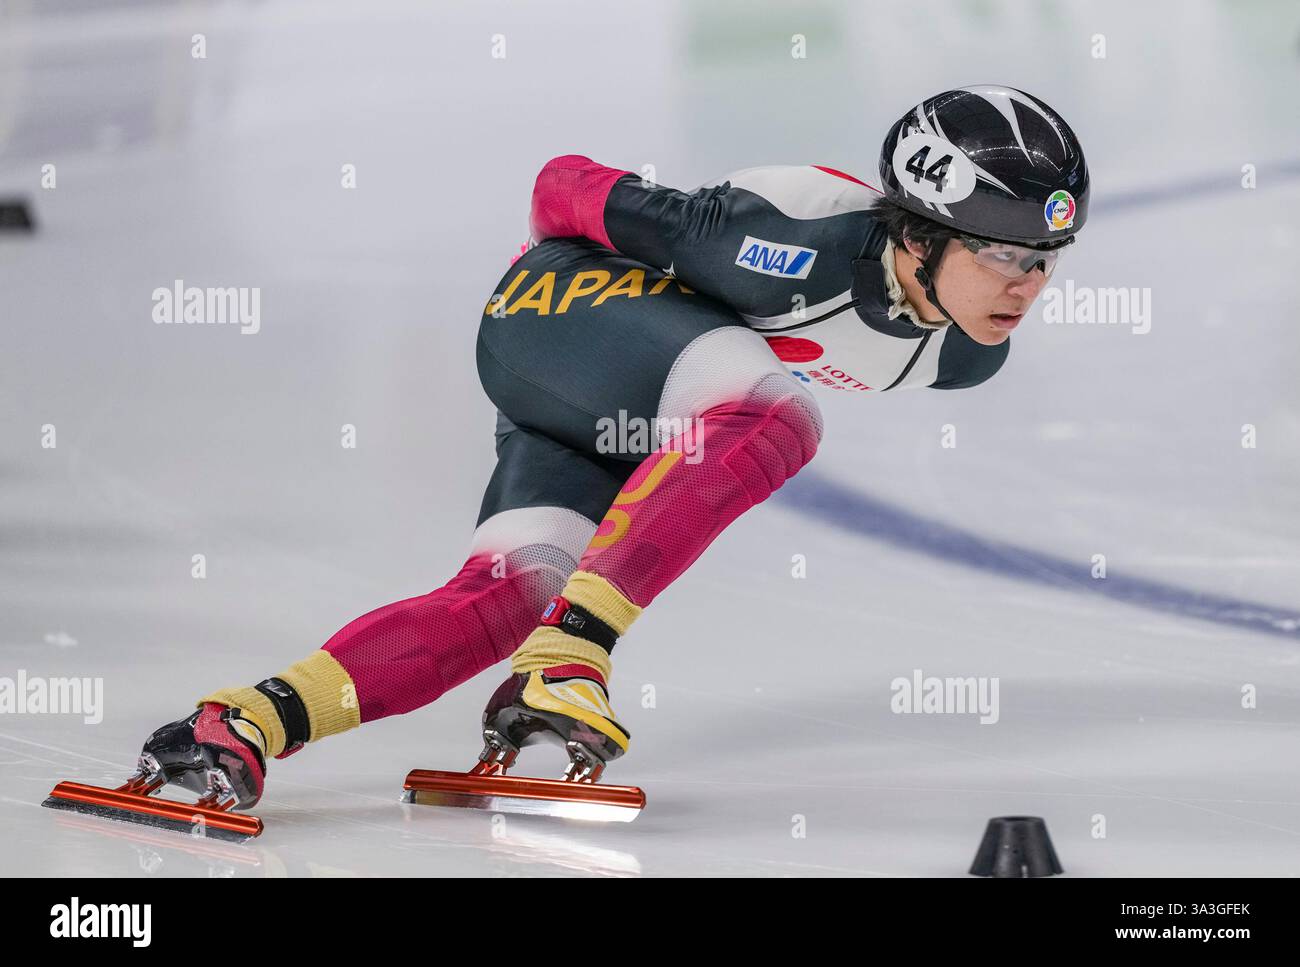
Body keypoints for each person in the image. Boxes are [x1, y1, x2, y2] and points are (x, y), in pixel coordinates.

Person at [124, 85, 1090, 811]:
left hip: (612, 399)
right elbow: (562, 186)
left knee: (510, 595)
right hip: (557, 317)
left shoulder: (967, 360)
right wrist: (554, 301)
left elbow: (705, 417)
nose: (1025, 285)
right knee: (780, 414)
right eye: (1001, 252)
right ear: (919, 236)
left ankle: (244, 720)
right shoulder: (785, 235)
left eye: (1044, 259)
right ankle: (574, 655)